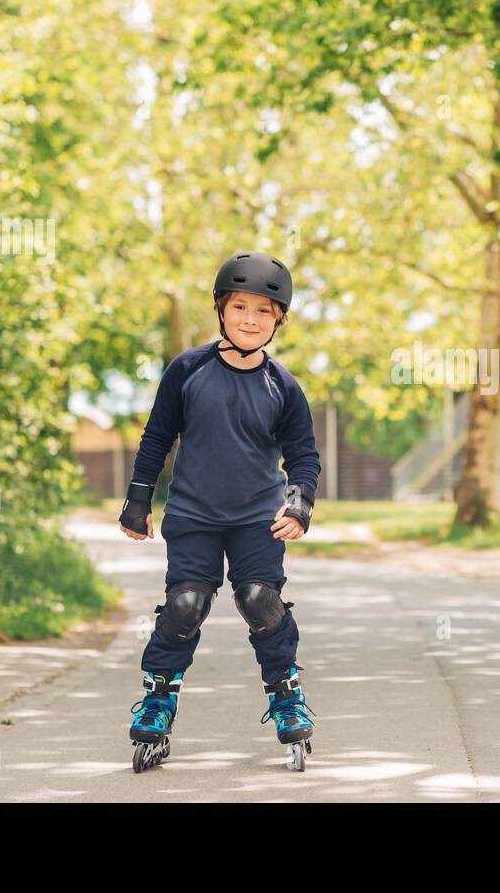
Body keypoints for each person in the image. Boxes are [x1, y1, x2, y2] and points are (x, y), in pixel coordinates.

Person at [118, 251, 321, 760]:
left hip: (258, 517)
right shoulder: (188, 369)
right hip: (193, 515)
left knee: (260, 600)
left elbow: (303, 455)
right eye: (239, 308)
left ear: (279, 319)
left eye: (263, 311)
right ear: (220, 310)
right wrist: (138, 500)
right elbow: (156, 437)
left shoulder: (284, 386)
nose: (250, 320)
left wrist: (297, 506)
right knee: (185, 605)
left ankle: (287, 695)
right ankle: (158, 698)